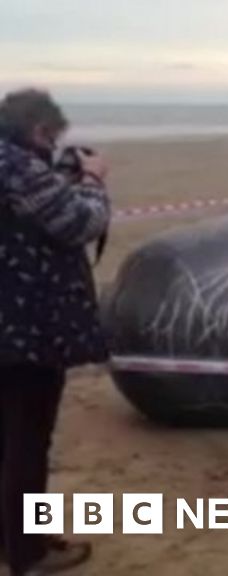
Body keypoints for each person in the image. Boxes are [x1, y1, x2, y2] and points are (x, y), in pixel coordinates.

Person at [0, 88, 109, 575]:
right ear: (39, 129)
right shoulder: (18, 167)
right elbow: (78, 222)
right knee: (27, 441)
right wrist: (91, 180)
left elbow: (30, 216)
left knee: (7, 440)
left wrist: (60, 179)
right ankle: (29, 553)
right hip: (26, 330)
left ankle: (13, 541)